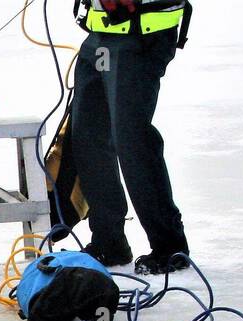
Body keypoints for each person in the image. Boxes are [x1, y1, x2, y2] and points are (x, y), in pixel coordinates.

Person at [70, 1, 193, 275]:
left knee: (132, 141)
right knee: (87, 138)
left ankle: (170, 246)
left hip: (143, 36)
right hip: (100, 35)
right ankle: (108, 242)